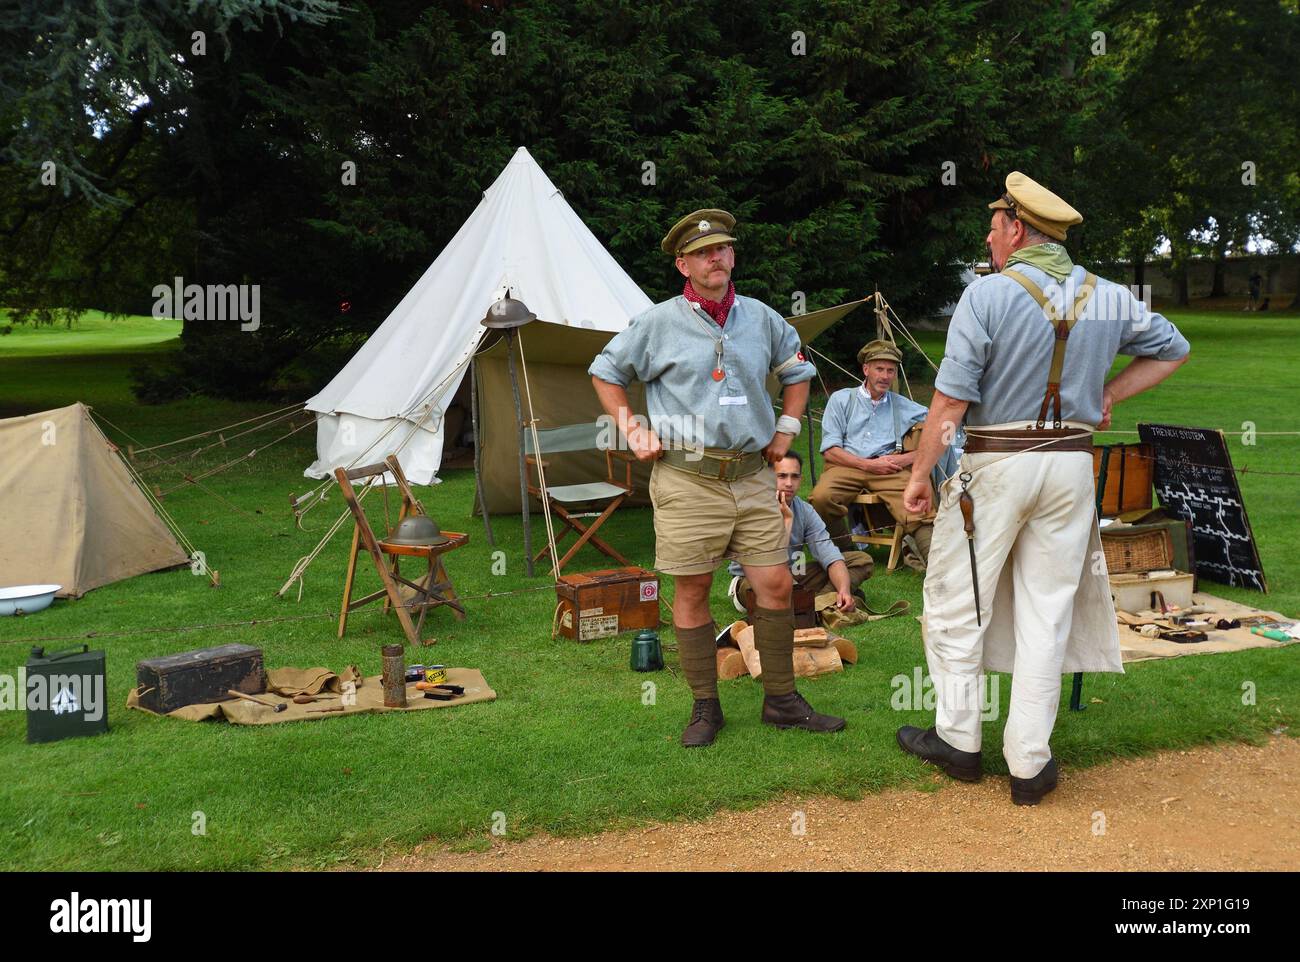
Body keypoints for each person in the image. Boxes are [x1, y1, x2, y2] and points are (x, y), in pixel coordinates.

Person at [897, 172, 1190, 804]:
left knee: (954, 606)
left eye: (995, 226)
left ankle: (958, 740)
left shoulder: (987, 296)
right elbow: (1173, 349)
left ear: (1018, 229)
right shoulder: (1109, 295)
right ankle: (1029, 762)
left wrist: (921, 472)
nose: (989, 236)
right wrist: (1107, 394)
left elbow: (950, 400)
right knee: (1047, 610)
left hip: (996, 466)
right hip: (1070, 468)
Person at [589, 208, 846, 748]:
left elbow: (798, 373)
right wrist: (632, 427)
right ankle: (706, 706)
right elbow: (605, 372)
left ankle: (780, 699)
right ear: (683, 264)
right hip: (687, 477)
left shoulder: (763, 317)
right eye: (704, 252)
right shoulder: (657, 322)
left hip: (753, 475)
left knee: (775, 583)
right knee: (694, 586)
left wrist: (788, 426)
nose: (716, 258)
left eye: (724, 249)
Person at [809, 339, 935, 569]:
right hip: (847, 466)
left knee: (918, 505)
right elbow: (830, 451)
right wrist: (867, 466)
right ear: (866, 369)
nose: (885, 376)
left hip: (889, 468)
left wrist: (905, 458)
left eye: (891, 370)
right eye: (880, 369)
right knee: (821, 498)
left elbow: (939, 430)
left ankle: (938, 568)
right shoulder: (842, 399)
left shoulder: (903, 405)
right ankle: (846, 555)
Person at [728, 450, 873, 612]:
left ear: (800, 480)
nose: (789, 483)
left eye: (794, 476)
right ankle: (822, 605)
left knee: (861, 560)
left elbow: (830, 556)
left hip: (793, 575)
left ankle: (821, 605)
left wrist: (844, 590)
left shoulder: (805, 511)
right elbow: (769, 562)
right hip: (753, 579)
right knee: (765, 588)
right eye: (782, 476)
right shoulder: (751, 507)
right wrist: (786, 522)